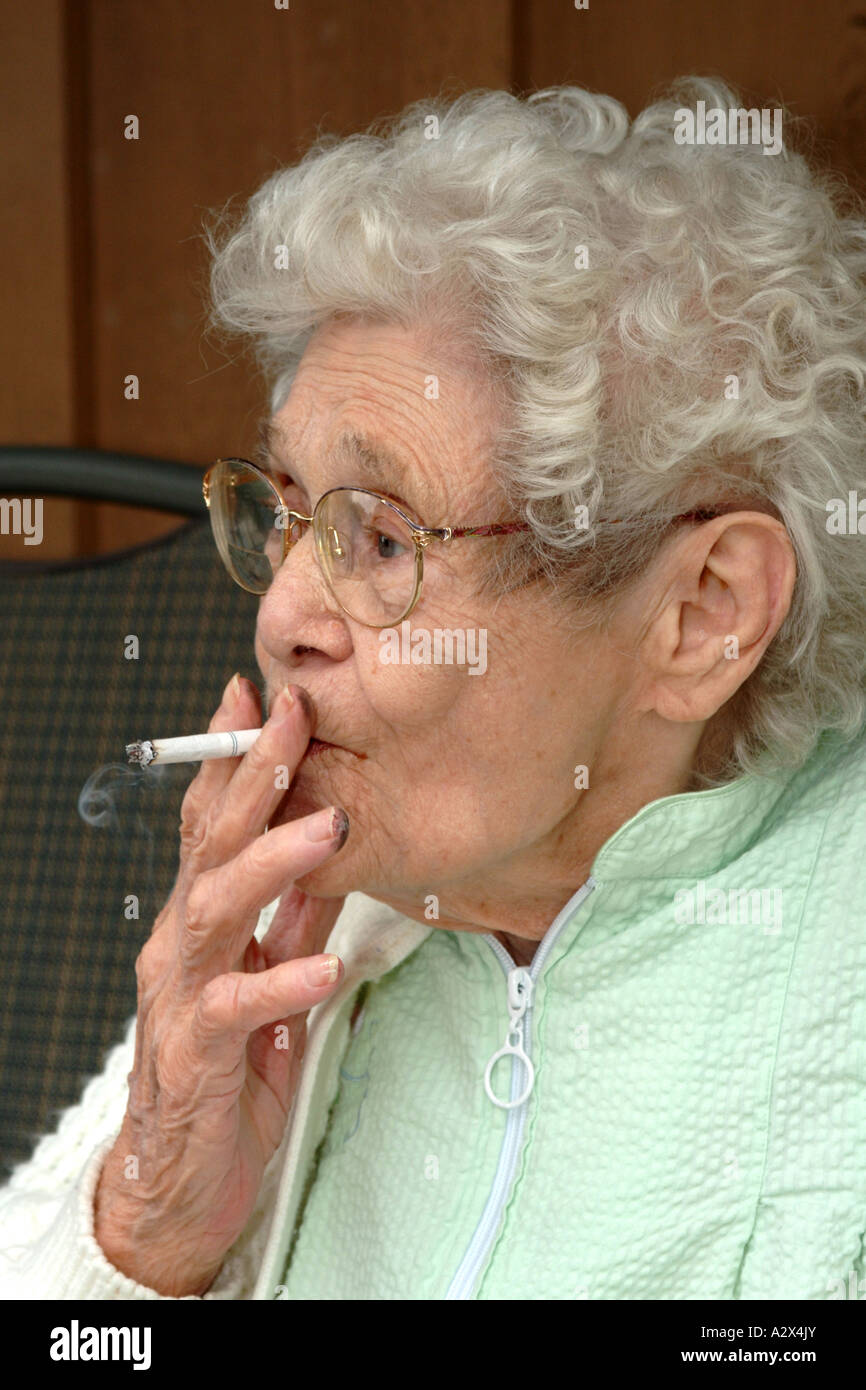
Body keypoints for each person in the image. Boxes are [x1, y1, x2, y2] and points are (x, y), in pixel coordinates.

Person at [2, 75, 865, 1301]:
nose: (279, 616)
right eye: (288, 516)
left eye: (386, 540)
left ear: (700, 613)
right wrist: (152, 1231)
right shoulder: (328, 932)